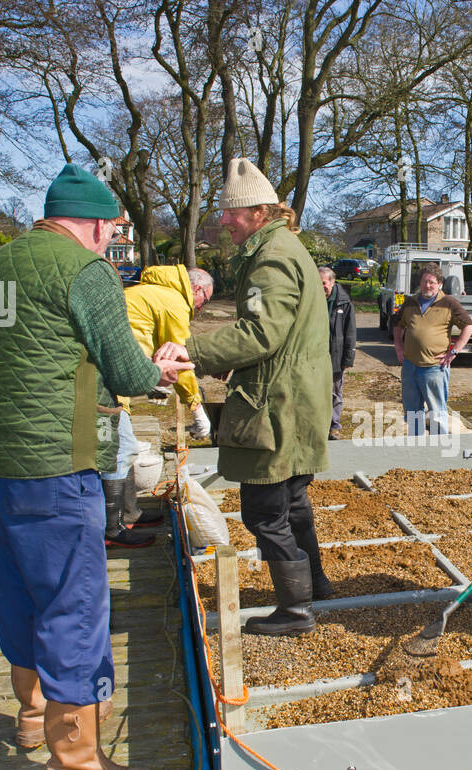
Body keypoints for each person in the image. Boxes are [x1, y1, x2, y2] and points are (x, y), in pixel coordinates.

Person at [0, 162, 191, 770]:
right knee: (74, 605)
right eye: (113, 231)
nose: (112, 242)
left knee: (19, 588)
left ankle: (34, 716)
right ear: (95, 224)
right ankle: (77, 767)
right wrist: (159, 368)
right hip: (57, 460)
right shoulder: (83, 270)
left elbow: (9, 352)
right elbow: (123, 369)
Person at [159, 157, 333, 634]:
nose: (222, 222)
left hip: (276, 406)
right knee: (293, 500)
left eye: (230, 214)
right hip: (296, 400)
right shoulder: (286, 247)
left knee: (263, 512)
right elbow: (278, 333)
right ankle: (314, 584)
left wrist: (191, 351)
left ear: (258, 212)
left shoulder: (271, 257)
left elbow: (261, 333)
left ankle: (296, 611)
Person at [101, 264, 215, 548]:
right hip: (106, 379)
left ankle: (130, 511)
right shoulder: (174, 302)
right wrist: (197, 408)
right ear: (197, 289)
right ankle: (111, 528)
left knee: (124, 446)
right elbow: (180, 361)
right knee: (122, 448)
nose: (201, 308)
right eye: (205, 300)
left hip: (112, 373)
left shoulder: (155, 292)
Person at [392, 265, 472, 435]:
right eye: (424, 281)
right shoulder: (410, 302)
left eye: (431, 282)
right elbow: (397, 326)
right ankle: (417, 448)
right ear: (420, 282)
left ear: (439, 284)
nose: (427, 286)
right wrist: (399, 347)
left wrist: (454, 351)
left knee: (437, 413)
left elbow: (469, 327)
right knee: (413, 411)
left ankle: (438, 451)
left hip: (435, 367)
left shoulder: (449, 303)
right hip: (410, 366)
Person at [319, 265, 355, 439]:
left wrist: (348, 358)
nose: (321, 287)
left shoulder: (344, 303)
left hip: (336, 356)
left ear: (332, 283)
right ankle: (318, 425)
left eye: (324, 283)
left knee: (335, 393)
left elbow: (350, 332)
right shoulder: (312, 300)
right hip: (316, 356)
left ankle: (334, 426)